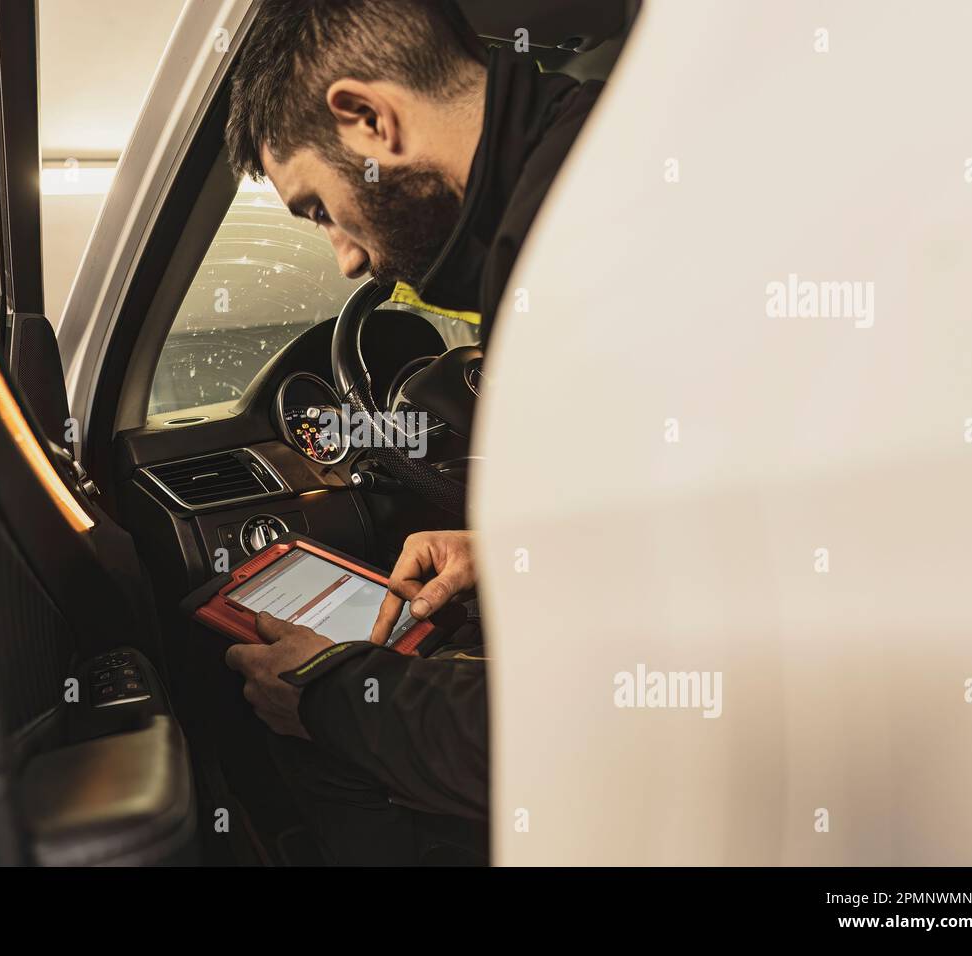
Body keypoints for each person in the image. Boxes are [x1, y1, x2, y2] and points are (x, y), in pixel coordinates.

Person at [222, 0, 604, 864]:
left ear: (368, 120)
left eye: (316, 208)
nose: (346, 257)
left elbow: (595, 723)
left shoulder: (567, 270)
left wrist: (332, 695)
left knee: (319, 755)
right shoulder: (597, 165)